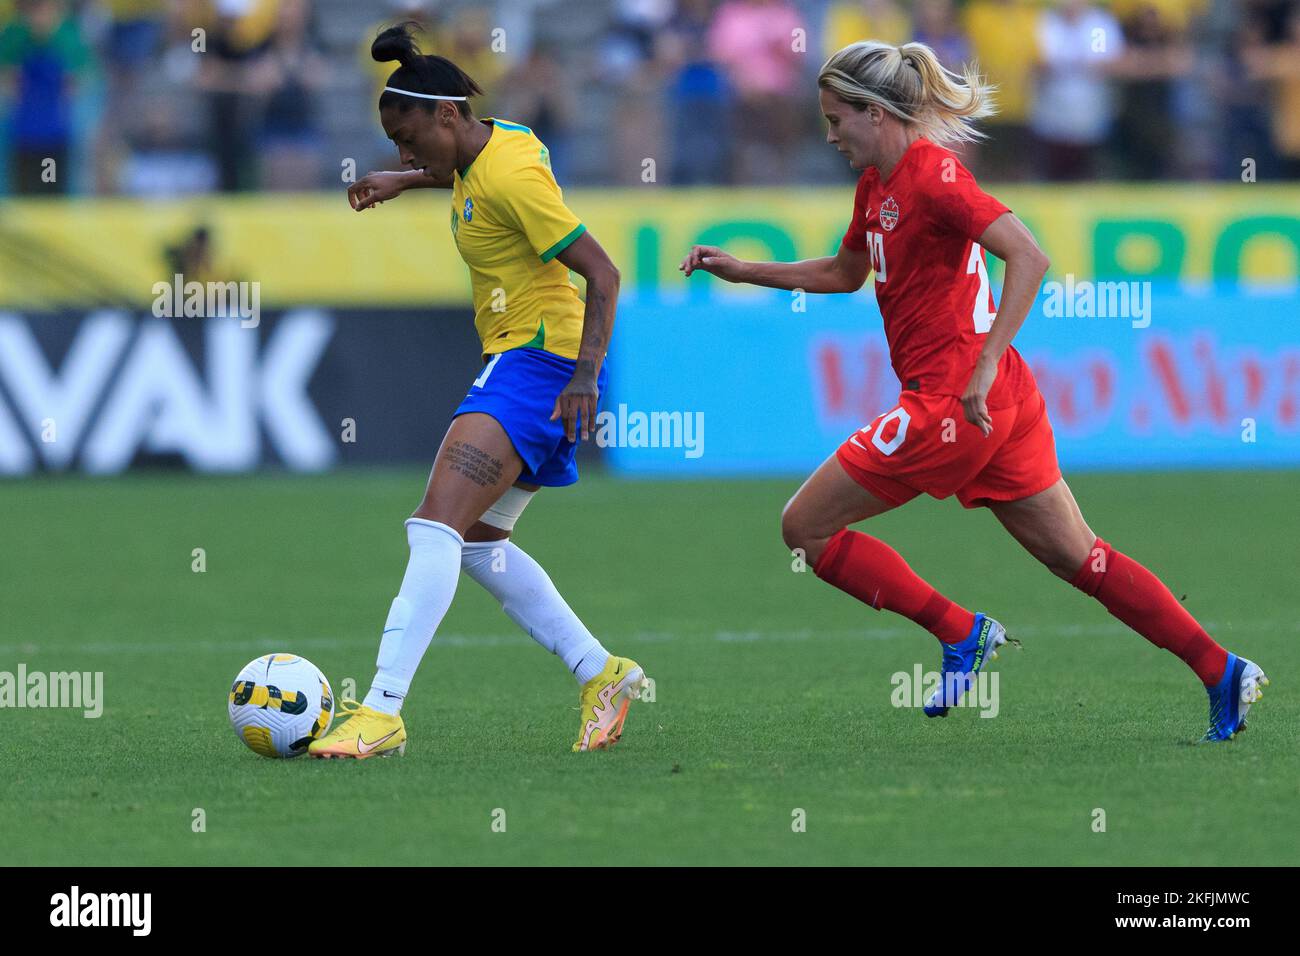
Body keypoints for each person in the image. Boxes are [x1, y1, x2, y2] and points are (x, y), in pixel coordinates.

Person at [679, 39, 1267, 742]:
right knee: (1079, 557)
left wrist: (982, 364)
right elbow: (844, 274)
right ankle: (1221, 669)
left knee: (804, 528)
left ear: (875, 112)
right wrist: (745, 270)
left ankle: (962, 632)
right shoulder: (878, 186)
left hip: (952, 403)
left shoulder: (934, 176)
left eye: (837, 120)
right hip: (995, 405)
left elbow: (1028, 253)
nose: (830, 136)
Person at [310, 23, 648, 759]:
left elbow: (604, 272)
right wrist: (406, 179)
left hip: (537, 364)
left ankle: (382, 709)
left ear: (447, 116)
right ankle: (602, 674)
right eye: (396, 147)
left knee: (433, 526)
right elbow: (464, 172)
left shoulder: (511, 176)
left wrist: (587, 374)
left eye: (409, 142)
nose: (404, 154)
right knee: (479, 544)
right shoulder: (495, 142)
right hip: (532, 361)